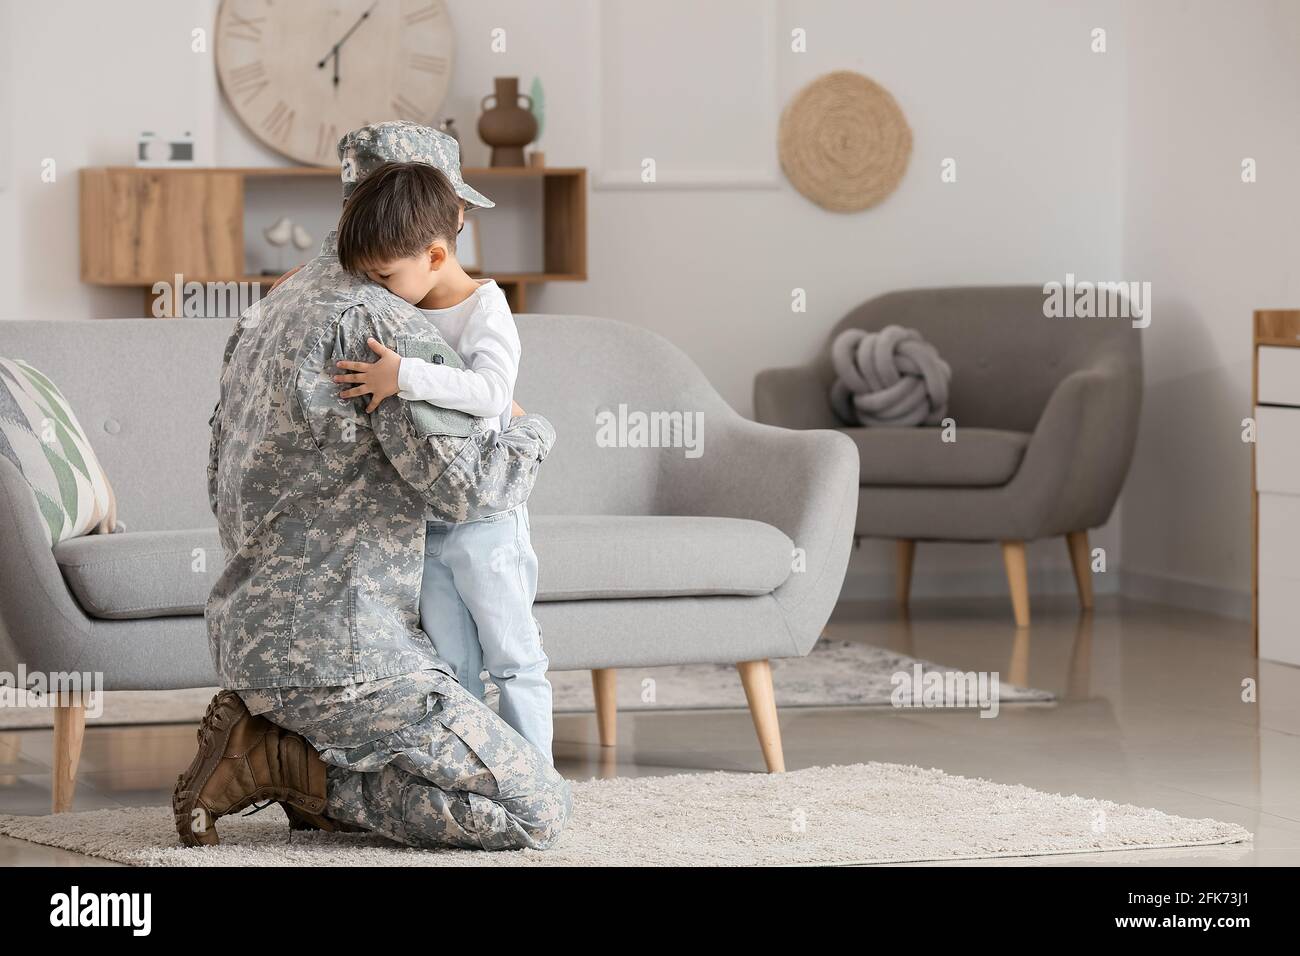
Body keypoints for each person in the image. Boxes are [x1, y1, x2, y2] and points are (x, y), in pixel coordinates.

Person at [173, 122, 570, 852]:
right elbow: (473, 493)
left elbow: (215, 473)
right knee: (536, 810)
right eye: (455, 208)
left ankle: (275, 739)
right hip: (350, 662)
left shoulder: (267, 310)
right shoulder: (380, 321)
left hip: (246, 641)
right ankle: (288, 762)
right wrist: (534, 429)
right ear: (429, 217)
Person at [328, 161, 554, 764]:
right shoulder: (404, 304)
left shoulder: (486, 310)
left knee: (513, 656)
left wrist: (402, 376)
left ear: (433, 255)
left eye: (383, 275)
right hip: (427, 520)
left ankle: (534, 778)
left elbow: (490, 394)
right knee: (451, 663)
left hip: (486, 518)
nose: (375, 288)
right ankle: (478, 776)